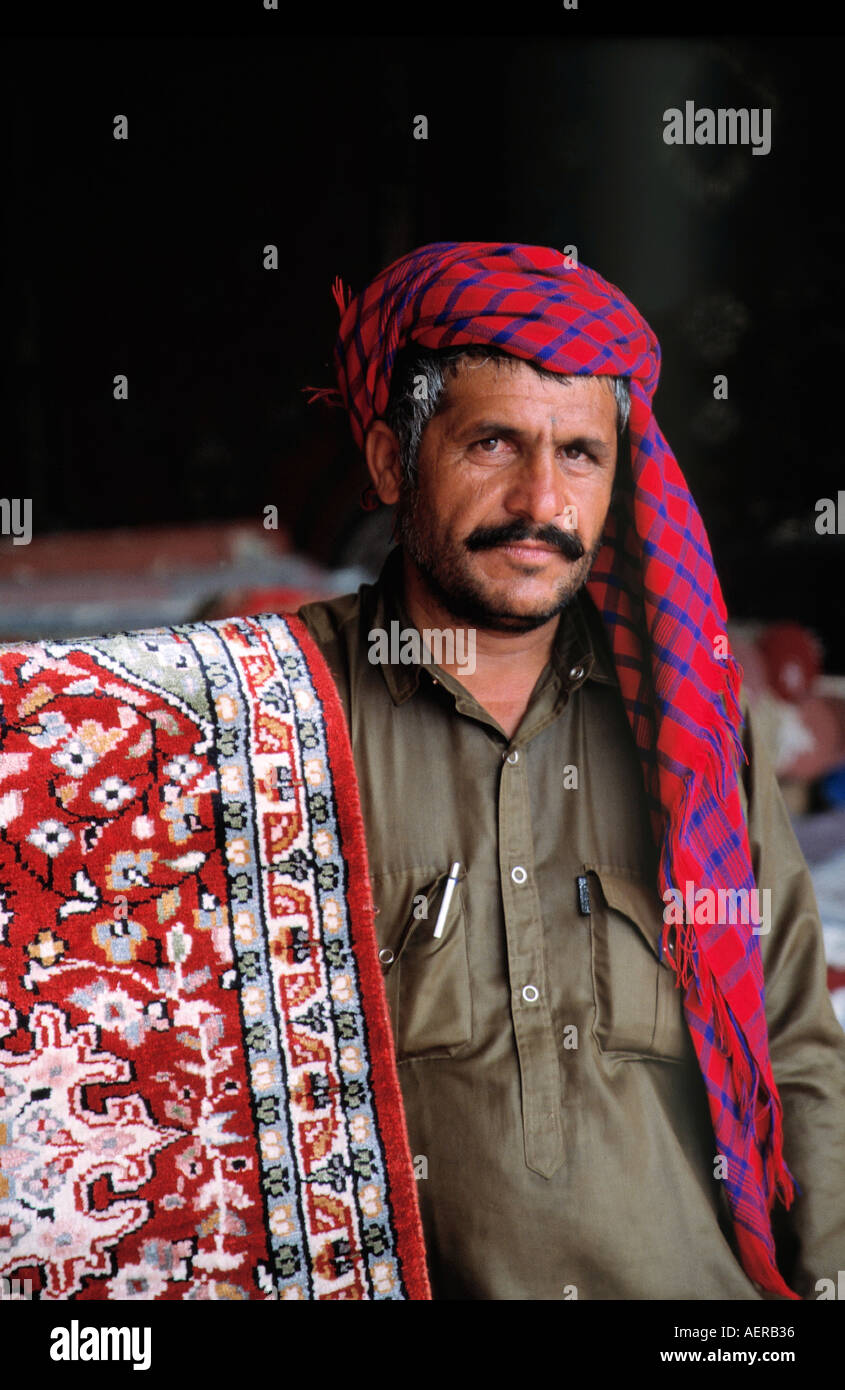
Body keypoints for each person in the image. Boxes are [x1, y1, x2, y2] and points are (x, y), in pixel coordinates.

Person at [298, 241, 845, 1300]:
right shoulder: (281, 713)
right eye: (493, 442)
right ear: (387, 461)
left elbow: (793, 1047)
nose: (540, 498)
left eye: (581, 455)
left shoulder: (686, 720)